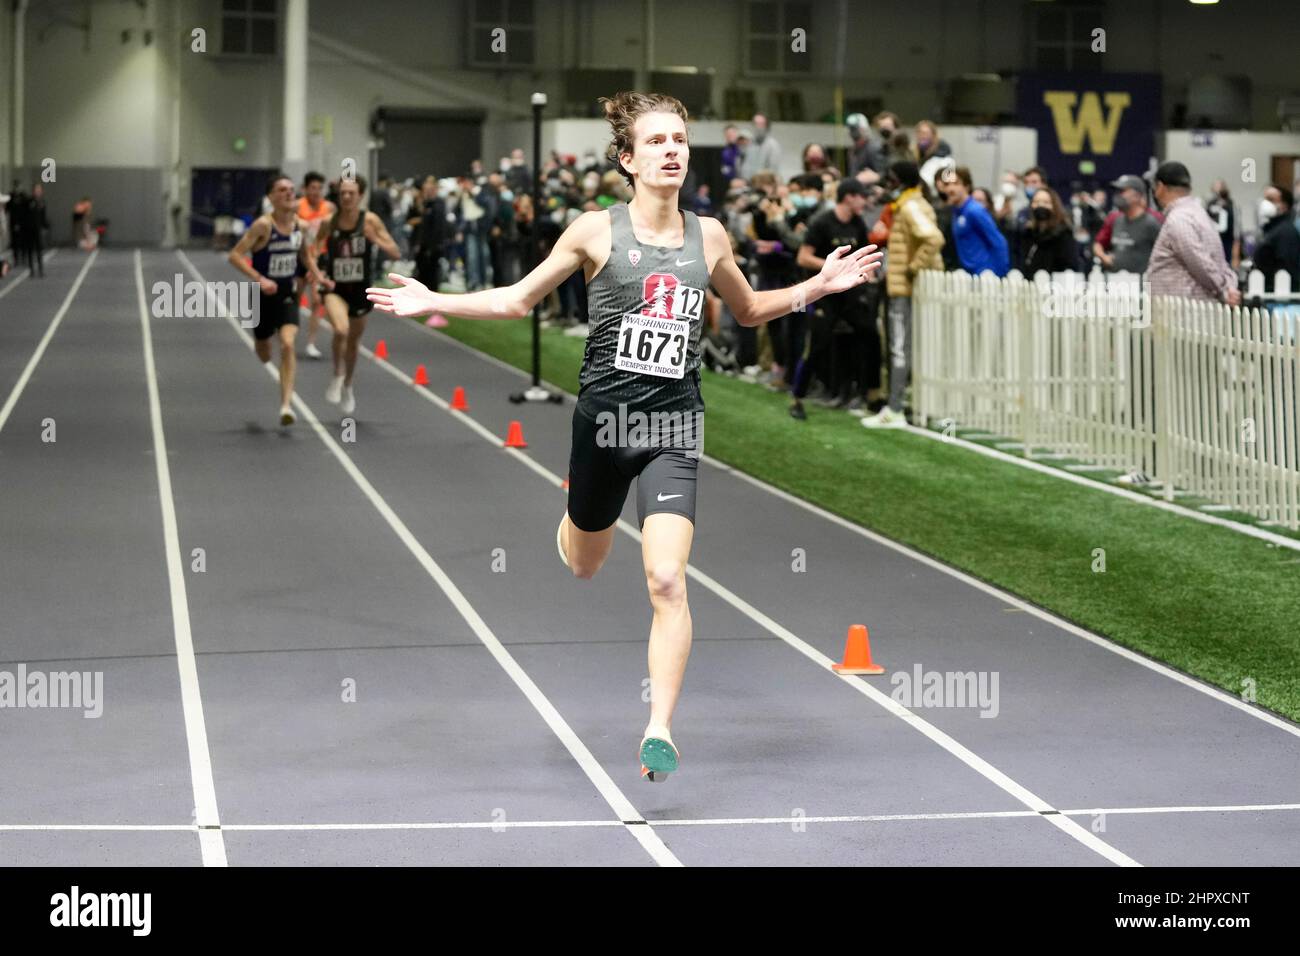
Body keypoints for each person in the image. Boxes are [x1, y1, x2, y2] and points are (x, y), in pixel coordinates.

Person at [366, 91, 881, 780]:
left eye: (680, 140)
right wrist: (436, 300)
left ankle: (659, 728)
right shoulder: (594, 232)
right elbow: (517, 300)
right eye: (658, 141)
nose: (672, 150)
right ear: (629, 159)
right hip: (604, 423)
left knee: (667, 579)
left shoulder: (712, 236)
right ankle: (573, 518)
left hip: (673, 423)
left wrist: (817, 287)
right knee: (586, 563)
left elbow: (751, 309)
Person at [228, 173, 329, 426]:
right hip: (262, 295)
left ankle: (286, 405)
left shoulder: (301, 226)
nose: (288, 193)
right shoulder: (263, 225)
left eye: (291, 189)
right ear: (271, 197)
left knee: (287, 343)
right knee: (264, 353)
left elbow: (306, 257)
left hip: (287, 293)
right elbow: (235, 256)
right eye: (282, 189)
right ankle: (261, 341)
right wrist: (259, 278)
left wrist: (319, 276)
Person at [862, 159, 943, 429]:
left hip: (905, 290)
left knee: (899, 349)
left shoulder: (910, 207)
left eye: (893, 179)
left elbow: (933, 239)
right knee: (906, 349)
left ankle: (895, 408)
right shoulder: (906, 205)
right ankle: (902, 405)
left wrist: (912, 269)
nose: (889, 184)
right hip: (907, 289)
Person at [314, 175, 401, 416]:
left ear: (360, 195)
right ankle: (337, 374)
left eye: (352, 193)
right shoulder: (329, 222)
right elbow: (312, 249)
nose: (347, 197)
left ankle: (348, 385)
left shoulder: (370, 220)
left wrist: (376, 240)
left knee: (353, 343)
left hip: (361, 289)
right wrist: (317, 274)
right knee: (340, 330)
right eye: (343, 193)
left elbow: (395, 252)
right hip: (335, 287)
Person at [789, 178, 875, 419]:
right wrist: (835, 269)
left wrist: (867, 272)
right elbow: (803, 258)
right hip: (823, 294)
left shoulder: (857, 223)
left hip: (849, 293)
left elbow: (865, 256)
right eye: (861, 197)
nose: (865, 202)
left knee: (866, 333)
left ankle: (859, 393)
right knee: (816, 344)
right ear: (849, 197)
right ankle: (798, 396)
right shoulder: (822, 223)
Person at [1147, 161, 1240, 305]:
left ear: (1160, 187)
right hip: (1192, 312)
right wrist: (1229, 285)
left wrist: (1225, 291)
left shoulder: (1178, 219)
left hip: (1183, 315)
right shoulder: (1199, 213)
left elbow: (1199, 262)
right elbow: (1219, 262)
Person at [939, 166, 1009, 277]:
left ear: (967, 187)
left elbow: (998, 242)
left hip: (986, 276)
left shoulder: (975, 210)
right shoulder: (956, 213)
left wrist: (999, 275)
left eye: (956, 184)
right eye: (947, 185)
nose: (950, 189)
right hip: (969, 276)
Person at [295, 171, 337, 359]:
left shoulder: (329, 208)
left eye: (320, 188)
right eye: (313, 188)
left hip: (321, 257)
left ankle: (311, 343)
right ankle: (288, 334)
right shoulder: (297, 206)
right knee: (294, 298)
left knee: (317, 301)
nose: (316, 191)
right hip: (299, 257)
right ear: (305, 189)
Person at [1093, 174, 1163, 274]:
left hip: (1142, 284)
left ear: (1137, 196)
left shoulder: (1152, 223)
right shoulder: (1116, 220)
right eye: (1117, 191)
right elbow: (1098, 244)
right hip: (1118, 283)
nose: (1118, 195)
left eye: (1122, 191)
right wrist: (1104, 257)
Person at [1020, 186, 1079, 275]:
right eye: (1036, 202)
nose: (1040, 205)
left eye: (1046, 202)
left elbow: (1070, 265)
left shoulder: (1064, 234)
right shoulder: (1028, 234)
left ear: (1054, 206)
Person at [1252, 187, 1299, 293]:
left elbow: (1288, 266)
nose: (1265, 203)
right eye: (1264, 199)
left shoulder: (1285, 232)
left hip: (1278, 296)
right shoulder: (1271, 229)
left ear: (1284, 205)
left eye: (1270, 199)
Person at [1205, 179, 1240, 269]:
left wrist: (1235, 255)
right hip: (1211, 242)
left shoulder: (1231, 205)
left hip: (1227, 241)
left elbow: (1236, 229)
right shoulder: (1209, 204)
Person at [740, 113, 783, 179]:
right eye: (755, 124)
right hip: (748, 183)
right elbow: (746, 165)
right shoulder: (750, 144)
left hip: (763, 184)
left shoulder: (773, 145)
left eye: (761, 124)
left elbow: (772, 170)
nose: (757, 127)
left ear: (767, 126)